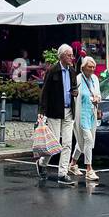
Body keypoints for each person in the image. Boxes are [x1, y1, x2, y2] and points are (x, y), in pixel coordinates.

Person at [36, 44, 78, 185]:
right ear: (61, 56)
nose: (72, 58)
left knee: (67, 143)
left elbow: (73, 88)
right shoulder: (53, 71)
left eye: (72, 55)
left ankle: (62, 173)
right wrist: (41, 111)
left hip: (68, 111)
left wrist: (75, 93)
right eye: (69, 55)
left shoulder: (72, 71)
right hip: (54, 111)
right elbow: (45, 92)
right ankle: (42, 163)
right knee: (54, 145)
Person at [73, 56, 102, 183]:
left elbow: (99, 94)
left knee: (82, 142)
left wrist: (97, 98)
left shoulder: (95, 79)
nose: (92, 69)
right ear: (83, 67)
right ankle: (89, 169)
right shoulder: (78, 79)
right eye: (89, 67)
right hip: (81, 114)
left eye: (93, 67)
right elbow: (73, 95)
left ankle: (73, 164)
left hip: (91, 113)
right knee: (88, 140)